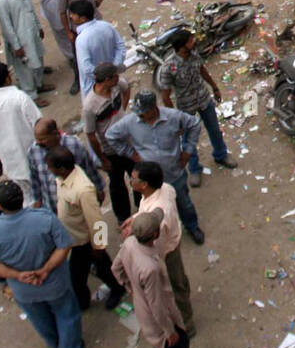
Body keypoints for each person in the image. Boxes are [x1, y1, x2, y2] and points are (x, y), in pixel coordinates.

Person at [0, 180, 84, 348]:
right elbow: (64, 245)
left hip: (24, 290)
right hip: (54, 283)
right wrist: (45, 269)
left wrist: (17, 275)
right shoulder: (44, 218)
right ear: (21, 198)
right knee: (67, 314)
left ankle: (54, 343)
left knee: (40, 319)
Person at [112, 207, 191, 348]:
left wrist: (130, 287)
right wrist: (169, 330)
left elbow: (116, 268)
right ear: (155, 235)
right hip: (157, 317)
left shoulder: (130, 243)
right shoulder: (150, 268)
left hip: (142, 307)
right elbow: (157, 305)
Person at [104, 91, 205, 244]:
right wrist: (131, 154)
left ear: (153, 109)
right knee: (153, 207)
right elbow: (111, 136)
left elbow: (194, 124)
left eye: (143, 113)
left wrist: (187, 151)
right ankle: (159, 234)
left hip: (174, 172)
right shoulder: (131, 121)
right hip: (149, 179)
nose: (140, 116)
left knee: (184, 202)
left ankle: (192, 226)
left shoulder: (172, 116)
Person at [120, 162, 196, 336]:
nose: (130, 180)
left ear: (144, 184)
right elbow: (146, 212)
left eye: (133, 178)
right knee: (178, 282)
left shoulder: (158, 222)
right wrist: (136, 219)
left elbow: (155, 247)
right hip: (170, 242)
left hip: (167, 252)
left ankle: (187, 324)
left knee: (175, 287)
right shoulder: (165, 188)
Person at [45, 146, 124, 312]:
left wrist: (99, 246)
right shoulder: (65, 177)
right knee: (99, 267)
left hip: (84, 240)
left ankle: (92, 299)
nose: (48, 169)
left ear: (62, 168)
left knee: (79, 276)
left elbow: (97, 220)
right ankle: (114, 287)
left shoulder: (82, 190)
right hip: (74, 236)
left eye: (50, 166)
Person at [156, 27, 239, 185]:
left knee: (214, 130)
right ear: (181, 46)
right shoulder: (168, 67)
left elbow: (202, 70)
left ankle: (221, 155)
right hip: (186, 107)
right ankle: (194, 169)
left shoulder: (194, 54)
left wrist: (214, 87)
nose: (194, 42)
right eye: (190, 41)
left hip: (203, 99)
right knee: (188, 140)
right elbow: (165, 96)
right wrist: (175, 117)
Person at [83, 62, 136, 223]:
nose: (118, 78)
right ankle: (123, 217)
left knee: (137, 175)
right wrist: (103, 159)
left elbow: (126, 89)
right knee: (117, 184)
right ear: (106, 80)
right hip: (111, 151)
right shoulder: (90, 106)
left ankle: (142, 205)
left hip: (128, 142)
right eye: (115, 76)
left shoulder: (117, 85)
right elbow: (91, 135)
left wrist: (122, 110)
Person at [0, 0, 51, 104]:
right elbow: (6, 27)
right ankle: (32, 95)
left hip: (32, 33)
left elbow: (30, 9)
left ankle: (39, 85)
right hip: (20, 40)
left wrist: (38, 27)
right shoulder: (2, 0)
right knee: (25, 68)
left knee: (38, 59)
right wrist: (16, 46)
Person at [27, 117, 106, 213]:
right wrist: (37, 201)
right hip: (52, 207)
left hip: (77, 205)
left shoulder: (74, 145)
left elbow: (89, 168)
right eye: (37, 139)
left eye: (42, 139)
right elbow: (34, 178)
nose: (38, 143)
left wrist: (99, 188)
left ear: (55, 134)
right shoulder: (33, 151)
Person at [69, 0, 125, 96]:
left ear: (83, 18)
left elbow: (86, 68)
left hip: (94, 87)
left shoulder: (82, 39)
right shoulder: (106, 25)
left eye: (73, 14)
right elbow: (120, 47)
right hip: (112, 79)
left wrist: (103, 78)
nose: (70, 16)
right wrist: (113, 68)